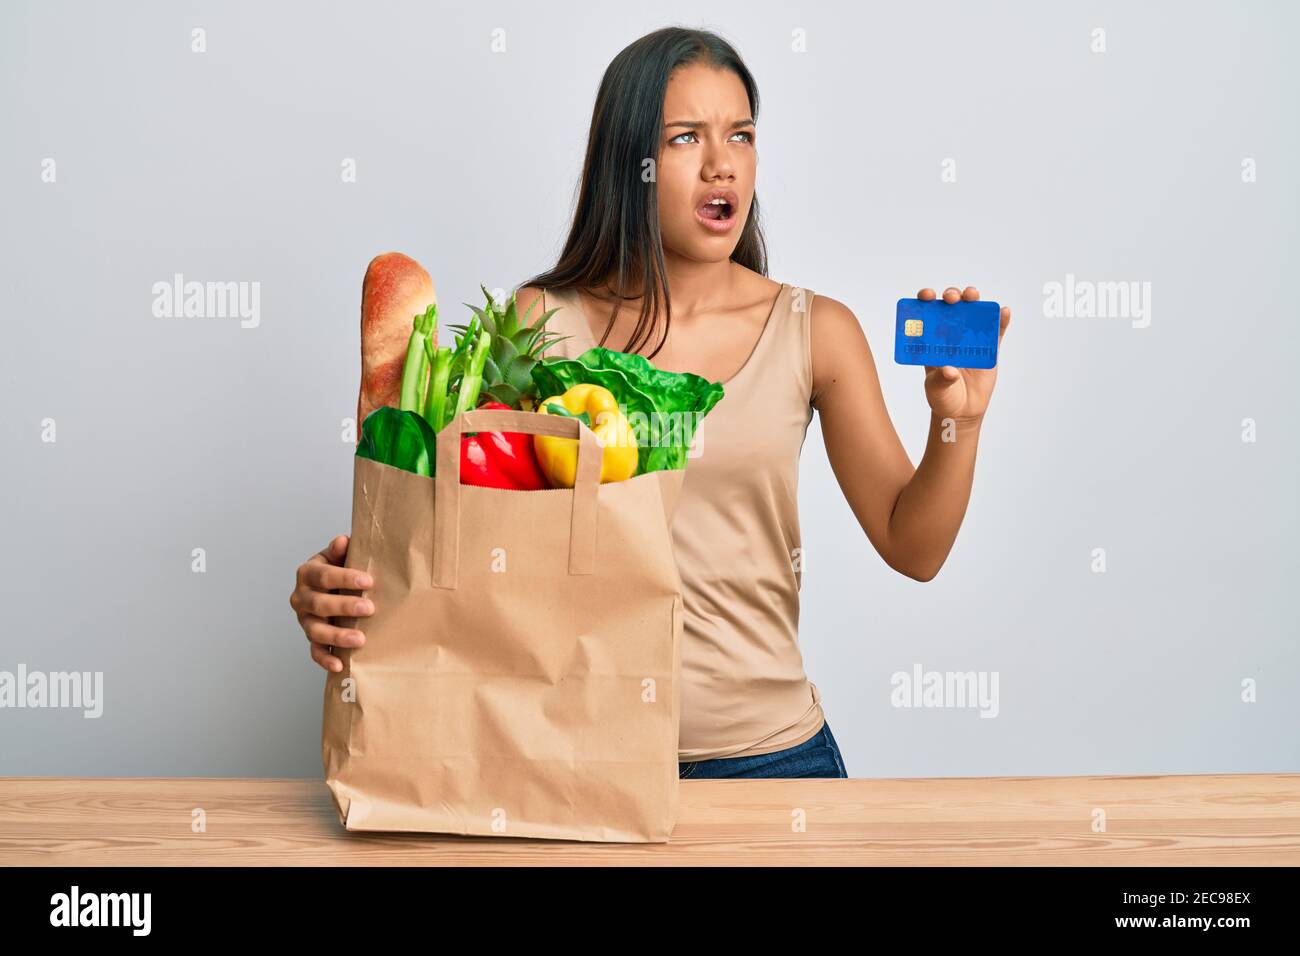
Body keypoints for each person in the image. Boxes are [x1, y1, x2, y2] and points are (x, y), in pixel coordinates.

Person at [290, 27, 1011, 780]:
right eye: (684, 138)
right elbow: (463, 558)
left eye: (740, 135)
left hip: (772, 764)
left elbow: (913, 547)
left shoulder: (816, 332)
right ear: (629, 163)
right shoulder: (539, 325)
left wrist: (957, 419)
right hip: (573, 764)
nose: (721, 163)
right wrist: (341, 591)